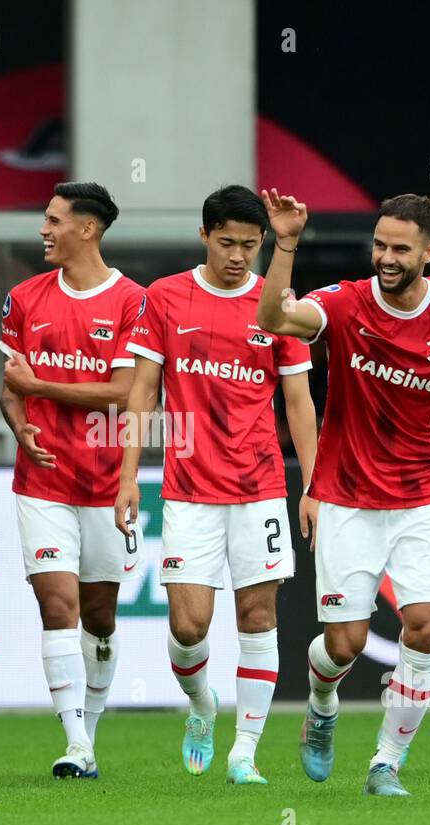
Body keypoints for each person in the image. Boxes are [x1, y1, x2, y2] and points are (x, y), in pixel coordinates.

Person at [256, 190, 430, 798]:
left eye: (400, 248)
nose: (386, 257)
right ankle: (321, 700)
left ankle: (386, 762)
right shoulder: (346, 303)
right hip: (348, 498)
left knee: (427, 625)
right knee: (345, 644)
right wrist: (286, 243)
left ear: (429, 252)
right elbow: (271, 319)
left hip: (423, 499)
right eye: (379, 244)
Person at [115, 185, 317, 785]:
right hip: (188, 489)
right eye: (226, 242)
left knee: (257, 616)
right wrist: (128, 475)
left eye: (250, 246)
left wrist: (313, 484)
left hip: (259, 487)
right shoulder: (166, 298)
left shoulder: (276, 308)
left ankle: (245, 752)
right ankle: (202, 706)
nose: (237, 255)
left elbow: (300, 404)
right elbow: (144, 391)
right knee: (189, 626)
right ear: (204, 236)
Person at [0, 182, 144, 778]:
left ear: (88, 229)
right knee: (55, 606)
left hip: (108, 480)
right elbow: (10, 389)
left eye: (55, 220)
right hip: (43, 480)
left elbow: (122, 391)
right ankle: (76, 744)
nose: (44, 230)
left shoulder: (134, 301)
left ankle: (92, 723)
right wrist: (19, 425)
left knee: (99, 618)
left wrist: (40, 390)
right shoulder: (24, 298)